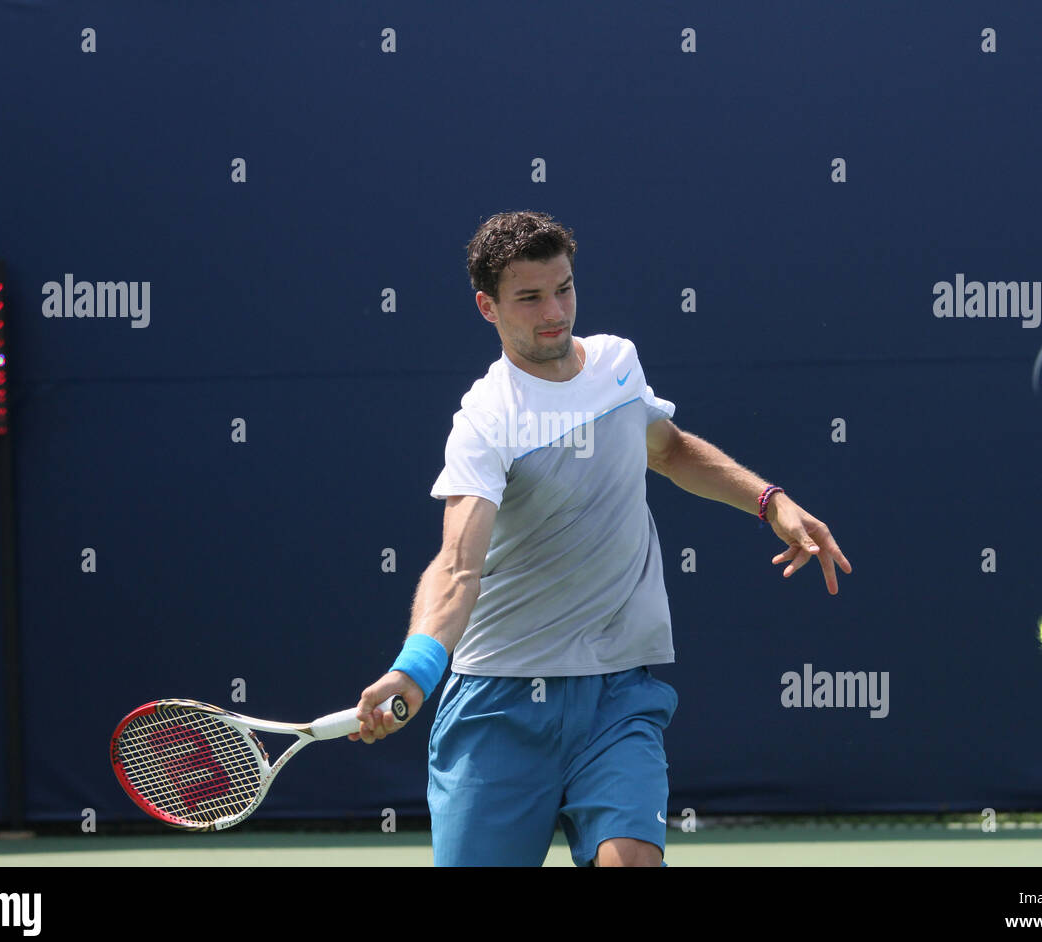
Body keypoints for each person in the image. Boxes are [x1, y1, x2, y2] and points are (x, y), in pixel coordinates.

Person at [349, 210, 851, 866]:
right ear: (488, 307)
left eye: (563, 288)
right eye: (529, 297)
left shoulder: (616, 366)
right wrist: (416, 669)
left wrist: (768, 500)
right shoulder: (485, 421)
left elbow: (667, 451)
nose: (554, 310)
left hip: (616, 693)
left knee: (632, 861)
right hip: (499, 703)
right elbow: (457, 567)